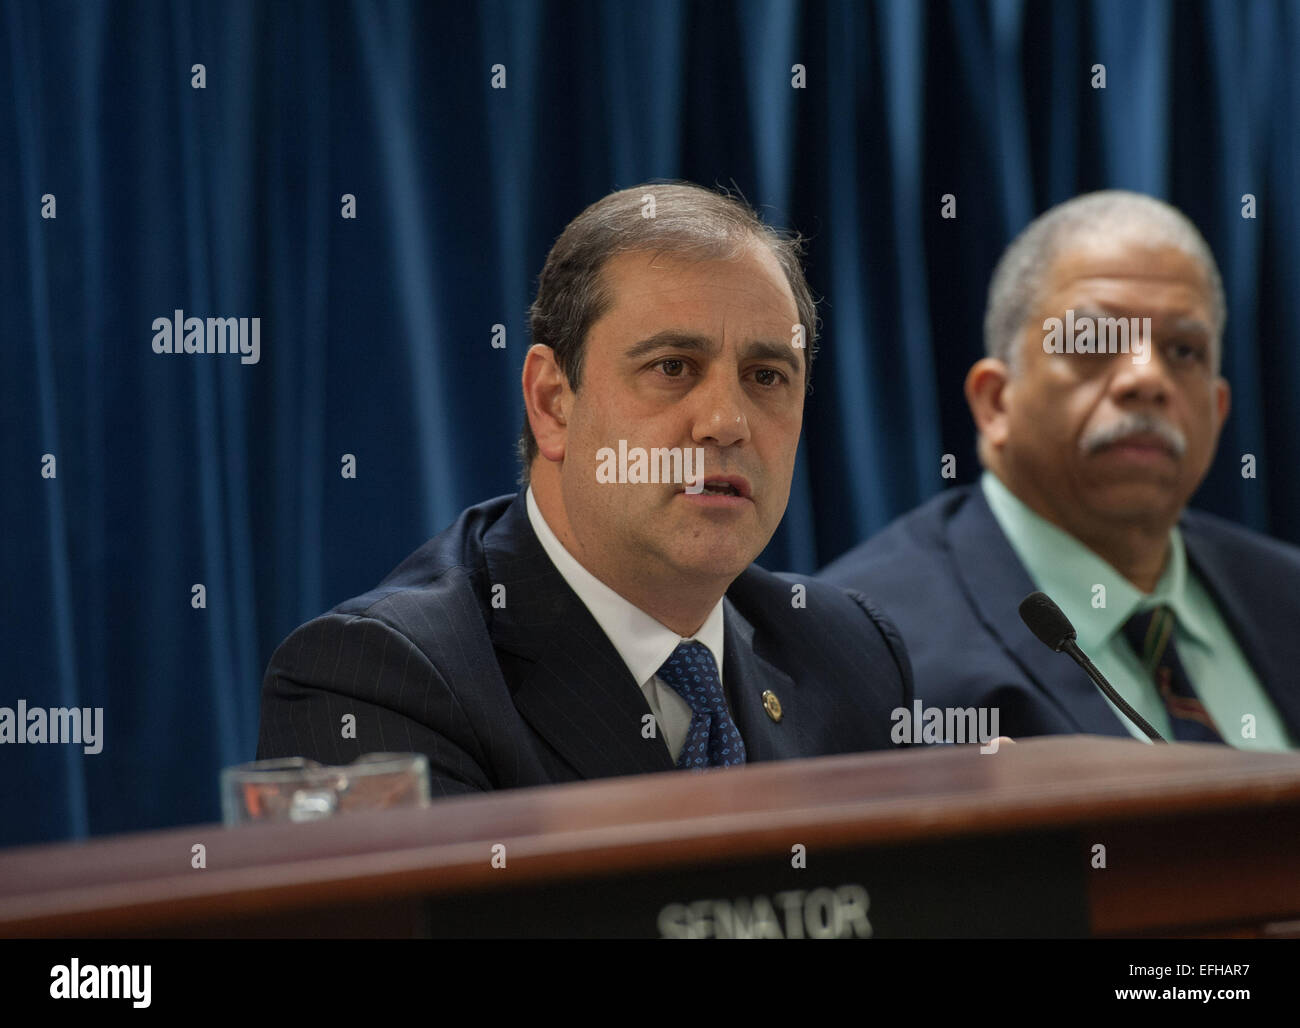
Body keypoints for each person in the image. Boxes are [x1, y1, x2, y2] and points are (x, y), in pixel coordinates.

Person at [259, 182, 912, 795]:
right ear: (552, 403)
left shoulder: (850, 653)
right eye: (673, 367)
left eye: (766, 376)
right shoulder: (378, 678)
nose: (726, 422)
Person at [821, 190, 1300, 748]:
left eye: (1183, 352)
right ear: (996, 402)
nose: (1146, 379)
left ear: (1218, 410)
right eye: (1094, 341)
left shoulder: (1285, 592)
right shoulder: (862, 645)